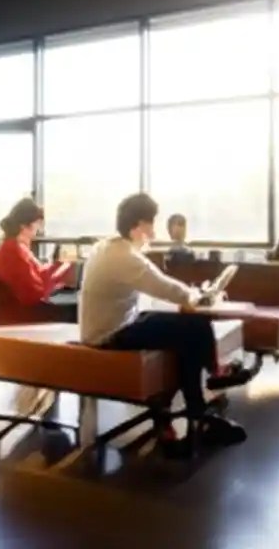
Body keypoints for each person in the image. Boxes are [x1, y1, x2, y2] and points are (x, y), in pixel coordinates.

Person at [80, 193, 256, 457]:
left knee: (184, 334)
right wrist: (196, 296)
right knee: (194, 325)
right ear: (138, 225)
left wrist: (190, 298)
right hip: (109, 334)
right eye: (151, 223)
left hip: (113, 325)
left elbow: (155, 285)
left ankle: (192, 413)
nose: (153, 230)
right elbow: (161, 285)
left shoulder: (109, 247)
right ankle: (214, 375)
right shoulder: (124, 256)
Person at [0, 197, 75, 325]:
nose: (38, 230)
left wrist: (60, 267)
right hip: (25, 314)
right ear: (24, 225)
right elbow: (35, 293)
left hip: (20, 310)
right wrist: (62, 273)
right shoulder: (15, 251)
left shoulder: (13, 247)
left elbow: (36, 277)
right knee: (77, 309)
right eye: (37, 224)